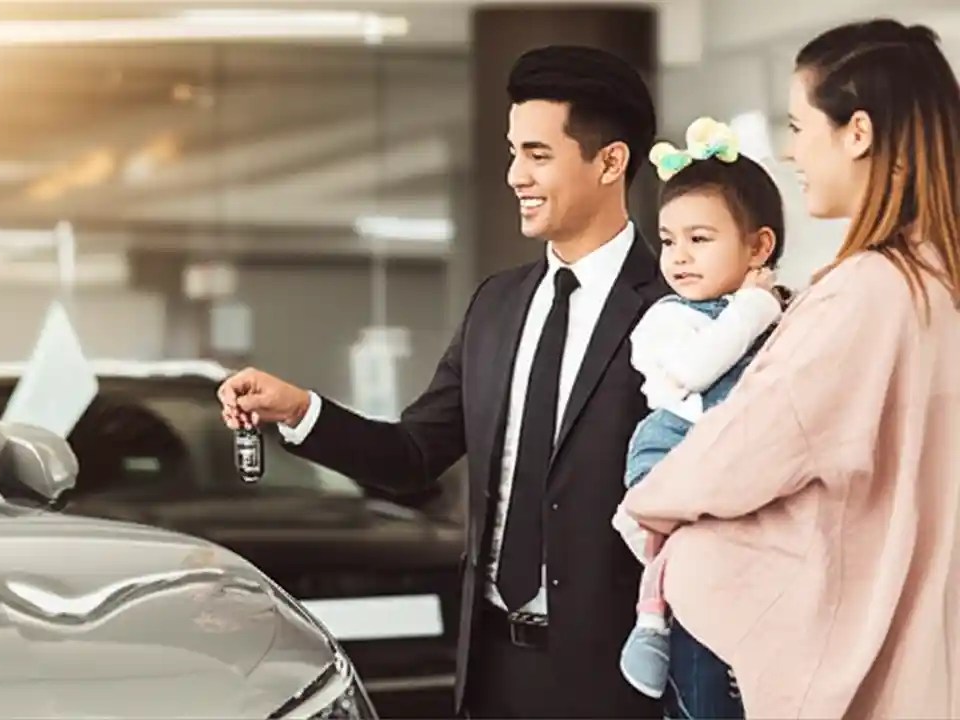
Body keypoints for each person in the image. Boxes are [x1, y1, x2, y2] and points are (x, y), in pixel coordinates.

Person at [219, 45, 663, 718]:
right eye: (512, 152)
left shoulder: (674, 312)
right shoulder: (497, 306)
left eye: (538, 154)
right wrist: (301, 410)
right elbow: (413, 455)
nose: (515, 175)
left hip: (618, 682)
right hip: (490, 671)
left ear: (610, 162)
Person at [622, 18, 960, 719]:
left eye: (800, 127)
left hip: (854, 663)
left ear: (857, 132)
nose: (789, 150)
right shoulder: (941, 285)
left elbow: (751, 448)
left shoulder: (864, 291)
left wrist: (650, 497)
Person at [609, 117, 789, 714]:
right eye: (668, 240)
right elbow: (694, 369)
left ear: (759, 246)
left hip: (740, 484)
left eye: (700, 239)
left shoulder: (784, 312)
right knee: (684, 574)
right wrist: (753, 308)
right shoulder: (666, 319)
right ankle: (652, 623)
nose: (679, 257)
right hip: (673, 454)